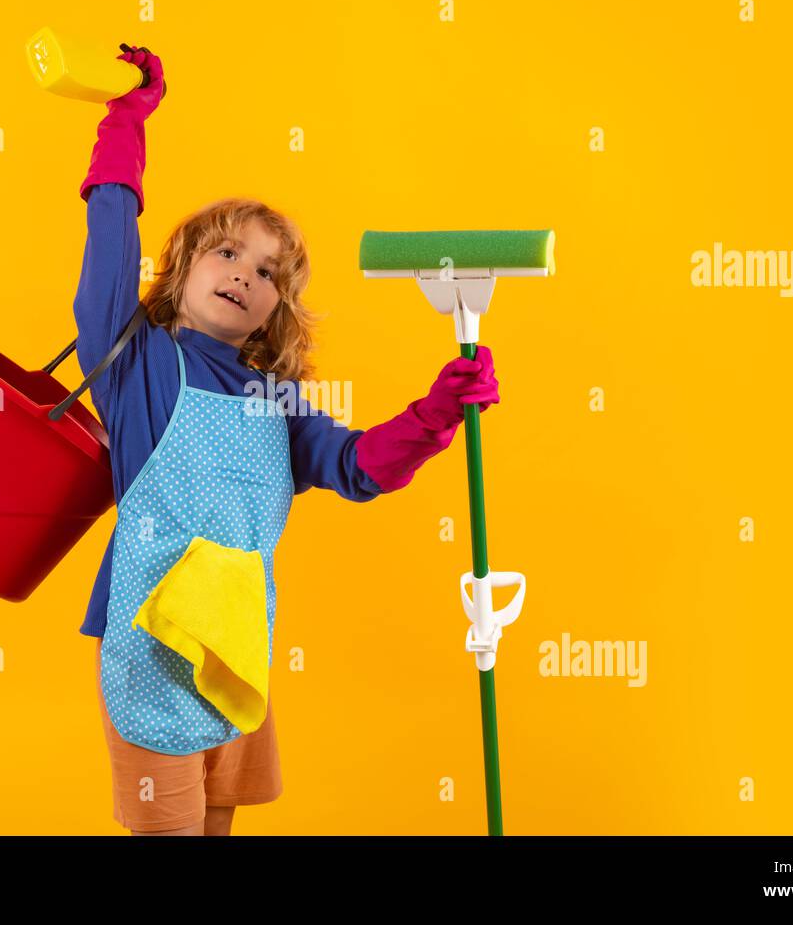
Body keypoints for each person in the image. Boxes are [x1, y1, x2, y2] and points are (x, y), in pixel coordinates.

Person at [74, 45, 500, 835]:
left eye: (269, 273)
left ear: (277, 309)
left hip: (235, 646)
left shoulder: (277, 397)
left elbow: (357, 466)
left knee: (220, 823)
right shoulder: (138, 364)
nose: (245, 274)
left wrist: (435, 414)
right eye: (226, 252)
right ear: (178, 269)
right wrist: (125, 123)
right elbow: (108, 233)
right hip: (151, 652)